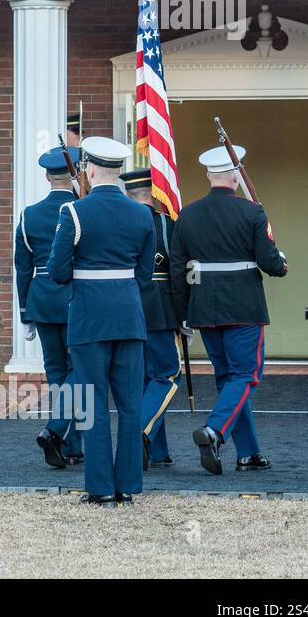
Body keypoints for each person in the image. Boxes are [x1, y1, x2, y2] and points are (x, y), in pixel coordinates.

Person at [47, 137, 155, 507]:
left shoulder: (74, 213)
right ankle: (127, 488)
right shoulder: (143, 214)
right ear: (120, 171)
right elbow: (143, 275)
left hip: (89, 320)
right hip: (129, 318)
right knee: (130, 406)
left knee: (91, 404)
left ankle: (101, 489)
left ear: (90, 170)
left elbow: (57, 271)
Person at [170, 144, 288, 475]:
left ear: (210, 175)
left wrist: (183, 314)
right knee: (246, 374)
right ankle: (215, 431)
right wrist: (282, 264)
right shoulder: (252, 212)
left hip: (203, 306)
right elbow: (270, 262)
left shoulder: (188, 215)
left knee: (228, 378)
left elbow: (179, 269)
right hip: (243, 306)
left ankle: (248, 453)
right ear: (235, 176)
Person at [15, 147, 85, 469]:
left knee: (58, 371)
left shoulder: (30, 214)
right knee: (80, 371)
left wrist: (25, 313)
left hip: (42, 300)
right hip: (76, 298)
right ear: (75, 173)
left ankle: (70, 443)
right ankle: (61, 432)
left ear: (46, 176)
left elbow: (23, 267)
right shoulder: (82, 209)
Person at [122, 168, 183, 468]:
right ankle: (136, 435)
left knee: (146, 380)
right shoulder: (164, 223)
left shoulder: (120, 224)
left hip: (126, 307)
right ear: (155, 192)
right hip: (159, 309)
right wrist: (183, 315)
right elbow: (177, 272)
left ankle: (157, 451)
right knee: (167, 375)